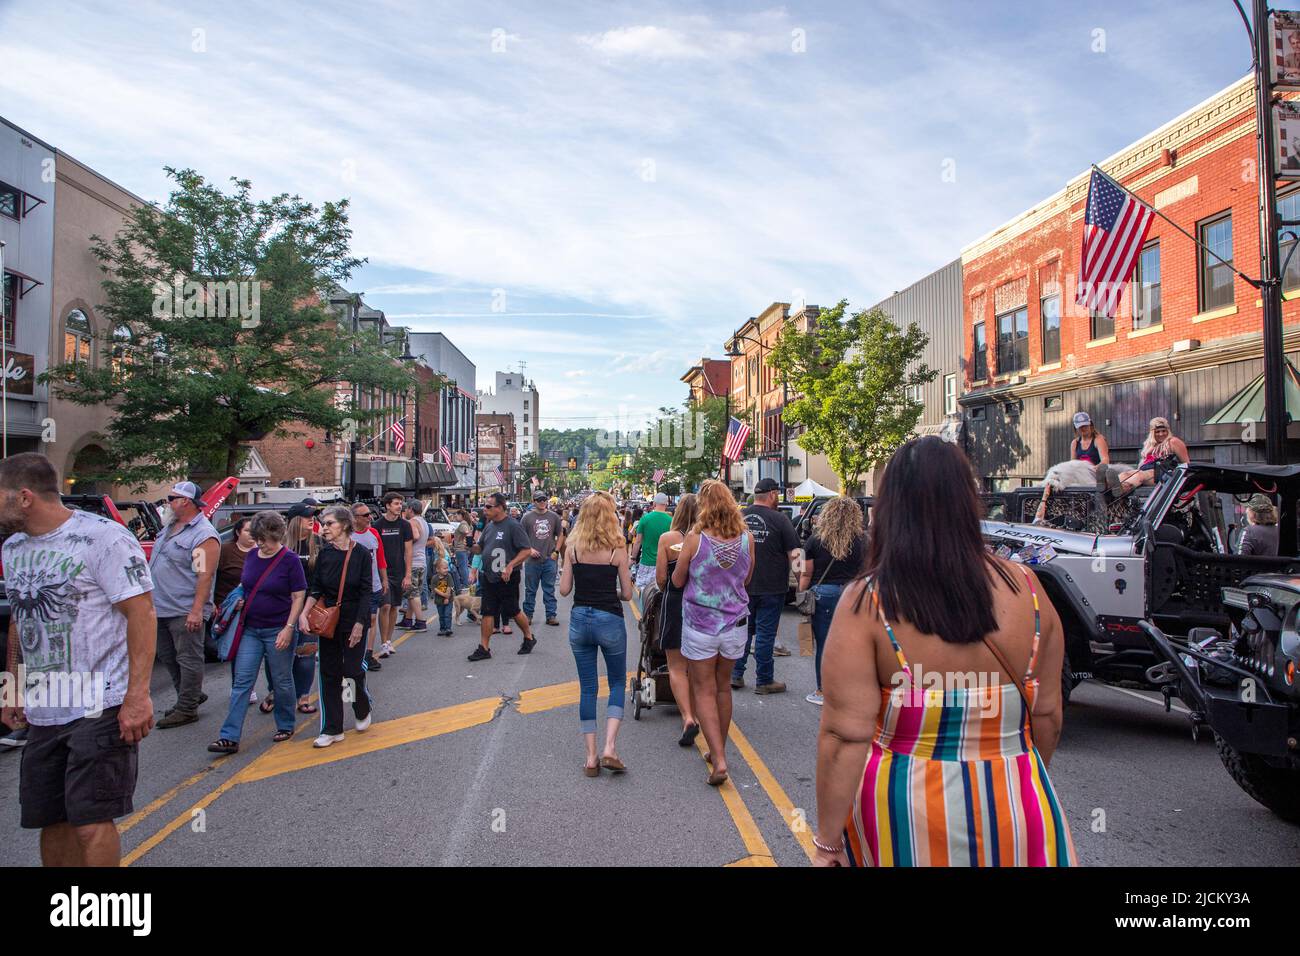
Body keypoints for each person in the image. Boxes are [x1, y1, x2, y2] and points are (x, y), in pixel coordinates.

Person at [814, 436, 1076, 867]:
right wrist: (1012, 771)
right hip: (1019, 806)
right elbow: (1047, 716)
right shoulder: (1029, 590)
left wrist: (828, 842)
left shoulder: (870, 603)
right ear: (967, 501)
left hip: (907, 815)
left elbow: (845, 735)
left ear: (890, 507)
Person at [0, 453, 156, 866]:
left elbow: (141, 614)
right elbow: (21, 617)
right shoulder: (14, 548)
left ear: (25, 497)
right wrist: (12, 687)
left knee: (90, 819)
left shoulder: (104, 538)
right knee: (51, 820)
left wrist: (137, 697)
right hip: (44, 708)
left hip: (100, 703)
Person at [671, 479, 755, 787]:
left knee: (703, 690)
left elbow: (678, 581)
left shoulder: (694, 539)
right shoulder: (747, 538)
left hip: (701, 625)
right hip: (735, 625)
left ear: (703, 506)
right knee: (723, 688)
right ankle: (719, 750)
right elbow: (746, 578)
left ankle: (718, 758)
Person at [208, 511, 308, 754]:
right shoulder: (253, 556)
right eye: (257, 538)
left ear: (276, 534)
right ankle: (229, 736)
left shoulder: (290, 560)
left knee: (282, 679)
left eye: (264, 538)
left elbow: (298, 596)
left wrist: (289, 627)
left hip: (278, 628)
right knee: (242, 681)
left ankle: (285, 724)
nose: (259, 543)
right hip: (250, 628)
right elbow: (246, 585)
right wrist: (239, 601)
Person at [559, 491, 633, 776]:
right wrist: (609, 590)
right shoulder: (617, 549)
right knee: (616, 683)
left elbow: (565, 590)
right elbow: (627, 594)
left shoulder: (573, 548)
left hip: (580, 619)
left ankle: (590, 757)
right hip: (609, 619)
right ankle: (609, 748)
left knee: (588, 688)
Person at [300, 506, 375, 748]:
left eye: (329, 523)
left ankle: (360, 706)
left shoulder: (362, 554)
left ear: (344, 525)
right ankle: (332, 727)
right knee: (330, 672)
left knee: (351, 670)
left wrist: (360, 624)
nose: (324, 528)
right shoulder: (325, 555)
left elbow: (366, 592)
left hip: (354, 618)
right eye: (323, 524)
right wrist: (304, 614)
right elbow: (317, 588)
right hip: (329, 620)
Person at [149, 480, 220, 728]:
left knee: (188, 657)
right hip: (161, 606)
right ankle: (188, 695)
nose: (167, 502)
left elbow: (204, 575)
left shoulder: (203, 535)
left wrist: (197, 610)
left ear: (185, 502)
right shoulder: (169, 528)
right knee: (167, 655)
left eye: (171, 498)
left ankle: (187, 707)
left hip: (184, 608)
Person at [797, 496, 867, 706]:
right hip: (853, 594)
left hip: (823, 594)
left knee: (824, 645)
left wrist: (802, 597)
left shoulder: (815, 540)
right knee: (854, 645)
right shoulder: (863, 540)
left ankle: (823, 691)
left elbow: (806, 574)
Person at [733, 477, 799, 693]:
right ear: (772, 494)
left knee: (743, 631)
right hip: (772, 587)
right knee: (765, 633)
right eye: (777, 494)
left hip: (742, 585)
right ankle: (764, 680)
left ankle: (736, 674)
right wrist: (803, 581)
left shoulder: (739, 517)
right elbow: (795, 554)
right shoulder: (780, 520)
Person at [468, 492, 536, 660]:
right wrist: (469, 545)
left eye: (489, 506)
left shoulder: (513, 526)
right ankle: (484, 648)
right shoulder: (489, 526)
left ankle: (529, 636)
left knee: (513, 610)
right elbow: (481, 548)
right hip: (489, 576)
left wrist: (511, 565)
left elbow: (526, 550)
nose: (485, 509)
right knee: (488, 611)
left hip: (507, 578)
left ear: (500, 507)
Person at [655, 492, 699, 746]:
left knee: (676, 666)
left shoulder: (668, 539)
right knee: (698, 664)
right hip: (701, 604)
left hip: (675, 602)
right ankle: (699, 710)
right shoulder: (706, 538)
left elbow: (661, 579)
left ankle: (688, 717)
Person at [1035, 412, 1111, 522]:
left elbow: (1105, 459)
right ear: (1076, 428)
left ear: (1090, 424)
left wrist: (1096, 468)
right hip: (1079, 476)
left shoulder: (1099, 439)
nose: (1083, 429)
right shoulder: (1075, 443)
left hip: (1094, 474)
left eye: (1085, 426)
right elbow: (1072, 464)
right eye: (1080, 427)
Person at [373, 492, 413, 659]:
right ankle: (383, 642)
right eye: (396, 503)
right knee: (385, 606)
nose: (399, 506)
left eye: (400, 504)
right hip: (383, 572)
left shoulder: (405, 525)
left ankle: (389, 641)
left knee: (395, 606)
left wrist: (408, 575)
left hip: (399, 571)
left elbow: (408, 551)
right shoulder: (377, 525)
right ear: (387, 505)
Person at [349, 502, 386, 673]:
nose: (370, 517)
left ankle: (368, 653)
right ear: (355, 518)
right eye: (365, 515)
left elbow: (380, 559)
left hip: (373, 585)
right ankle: (353, 651)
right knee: (355, 620)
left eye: (369, 514)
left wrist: (384, 580)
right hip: (353, 587)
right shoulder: (347, 535)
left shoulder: (373, 533)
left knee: (371, 619)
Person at [521, 491, 563, 627]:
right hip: (531, 561)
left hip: (549, 559)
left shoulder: (554, 517)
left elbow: (561, 534)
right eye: (539, 500)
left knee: (549, 589)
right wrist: (529, 550)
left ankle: (551, 615)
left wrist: (556, 551)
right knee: (530, 590)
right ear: (534, 501)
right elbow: (520, 537)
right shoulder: (527, 517)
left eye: (544, 499)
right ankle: (528, 615)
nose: (542, 502)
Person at [1118, 417, 1189, 492]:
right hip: (1145, 471)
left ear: (1168, 431)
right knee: (1125, 474)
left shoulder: (1173, 442)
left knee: (1140, 475)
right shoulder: (1150, 444)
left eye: (1164, 431)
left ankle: (1121, 491)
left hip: (1163, 473)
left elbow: (1186, 463)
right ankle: (1111, 488)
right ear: (1152, 432)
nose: (1161, 434)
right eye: (1157, 432)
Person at [399, 501, 429, 632]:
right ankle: (407, 620)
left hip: (414, 561)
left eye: (406, 509)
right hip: (421, 561)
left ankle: (420, 622)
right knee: (413, 592)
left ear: (410, 509)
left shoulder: (412, 522)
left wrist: (404, 542)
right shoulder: (424, 521)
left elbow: (415, 535)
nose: (405, 512)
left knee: (413, 593)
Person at [633, 492, 672, 593]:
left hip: (647, 562)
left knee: (643, 592)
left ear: (654, 504)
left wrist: (633, 558)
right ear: (666, 504)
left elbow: (637, 542)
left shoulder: (645, 519)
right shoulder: (671, 521)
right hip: (664, 565)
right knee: (661, 594)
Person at [430, 558, 455, 635]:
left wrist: (447, 597)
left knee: (447, 614)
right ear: (437, 569)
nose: (446, 570)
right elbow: (434, 588)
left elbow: (449, 587)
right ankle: (442, 629)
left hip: (448, 599)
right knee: (441, 615)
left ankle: (448, 628)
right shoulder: (434, 578)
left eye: (447, 568)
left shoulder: (449, 576)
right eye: (444, 568)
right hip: (439, 600)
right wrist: (443, 595)